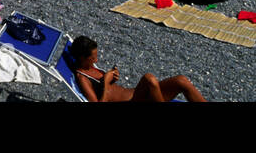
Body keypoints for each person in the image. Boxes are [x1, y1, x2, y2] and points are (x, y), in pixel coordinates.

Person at [67, 37, 205, 103]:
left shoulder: (90, 67)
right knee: (149, 79)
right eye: (93, 58)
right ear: (82, 58)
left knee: (181, 80)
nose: (96, 61)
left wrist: (112, 79)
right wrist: (106, 84)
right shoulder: (82, 78)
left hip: (139, 96)